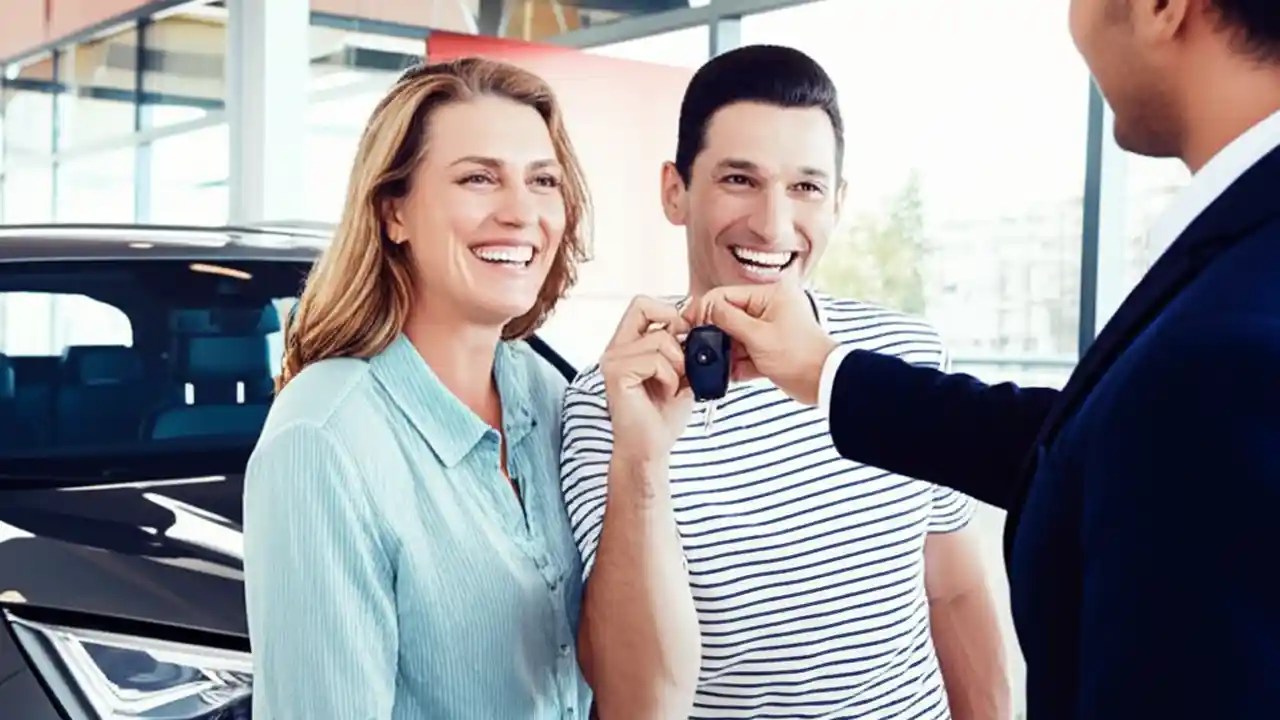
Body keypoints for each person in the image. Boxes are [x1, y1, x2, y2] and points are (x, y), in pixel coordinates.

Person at [687, 2, 1280, 719]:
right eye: (738, 179)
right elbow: (1116, 441)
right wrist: (830, 373)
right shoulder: (1240, 253)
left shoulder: (1236, 321)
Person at [560, 45, 1010, 719]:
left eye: (805, 187)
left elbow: (953, 592)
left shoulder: (905, 357)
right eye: (740, 180)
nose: (773, 225)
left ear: (837, 203)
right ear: (674, 191)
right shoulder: (611, 403)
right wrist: (644, 460)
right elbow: (632, 701)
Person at [241, 57, 594, 719]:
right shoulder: (323, 439)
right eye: (478, 178)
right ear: (392, 211)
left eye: (542, 180)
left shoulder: (548, 394)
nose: (521, 212)